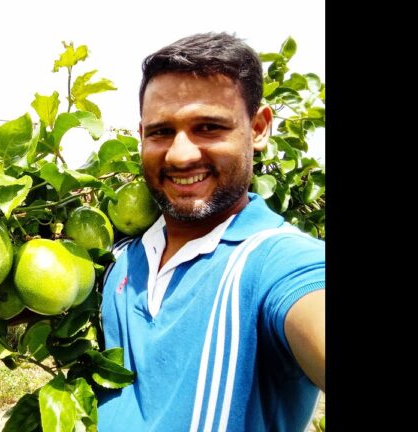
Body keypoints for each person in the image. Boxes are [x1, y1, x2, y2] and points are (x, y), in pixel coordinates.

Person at [97, 32, 325, 432]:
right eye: (161, 132)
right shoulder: (120, 258)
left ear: (258, 128)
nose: (180, 155)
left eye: (208, 127)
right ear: (141, 136)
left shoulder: (277, 262)